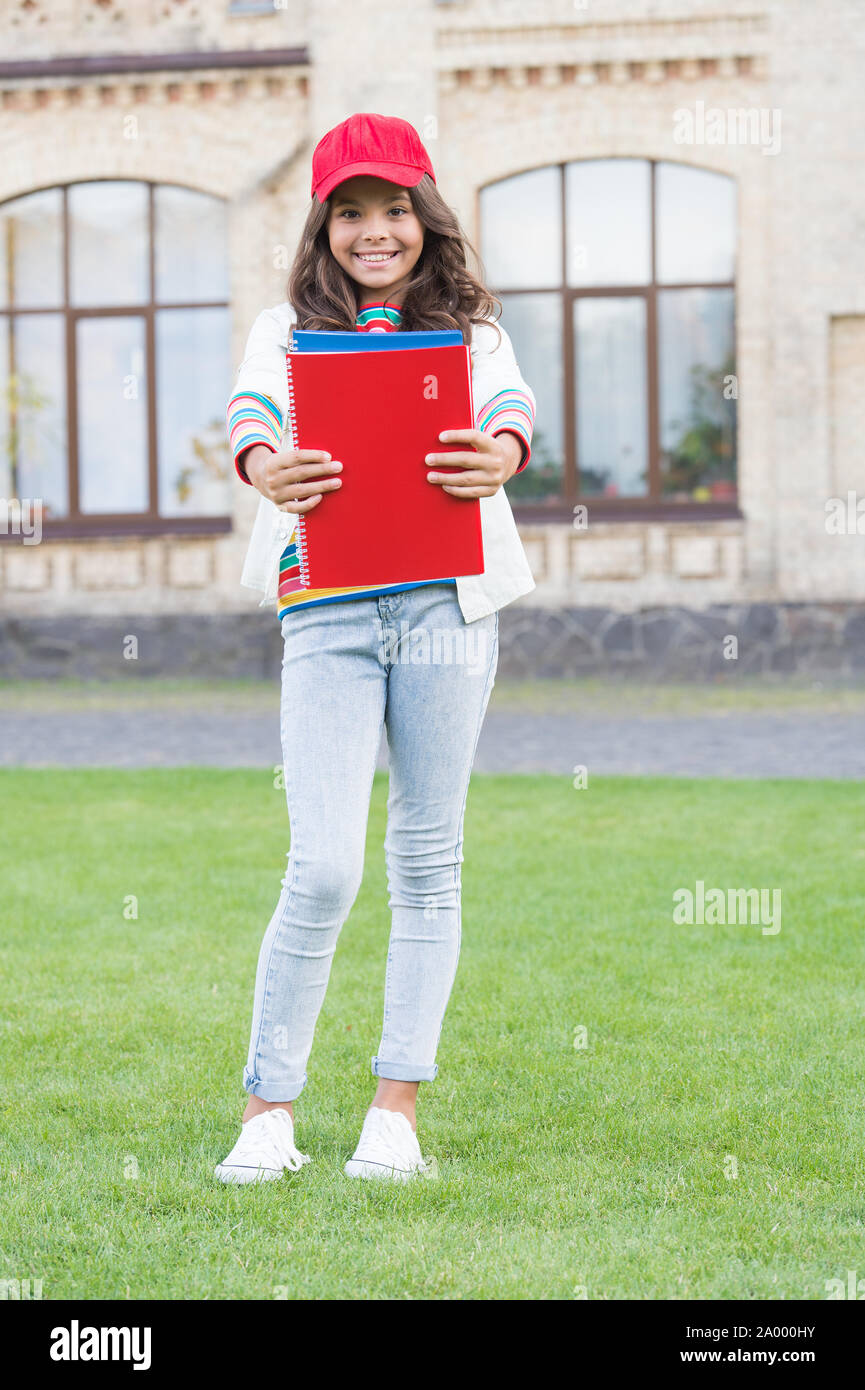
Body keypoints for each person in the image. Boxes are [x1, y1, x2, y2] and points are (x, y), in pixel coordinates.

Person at [215, 112, 536, 1184]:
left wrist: (498, 453)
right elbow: (251, 416)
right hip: (329, 609)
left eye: (393, 208)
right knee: (322, 866)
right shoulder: (284, 329)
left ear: (424, 216)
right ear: (322, 229)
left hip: (448, 607)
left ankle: (394, 1111)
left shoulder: (471, 333)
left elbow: (510, 410)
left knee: (427, 860)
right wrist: (265, 465)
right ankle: (269, 1110)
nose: (374, 231)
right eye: (349, 212)